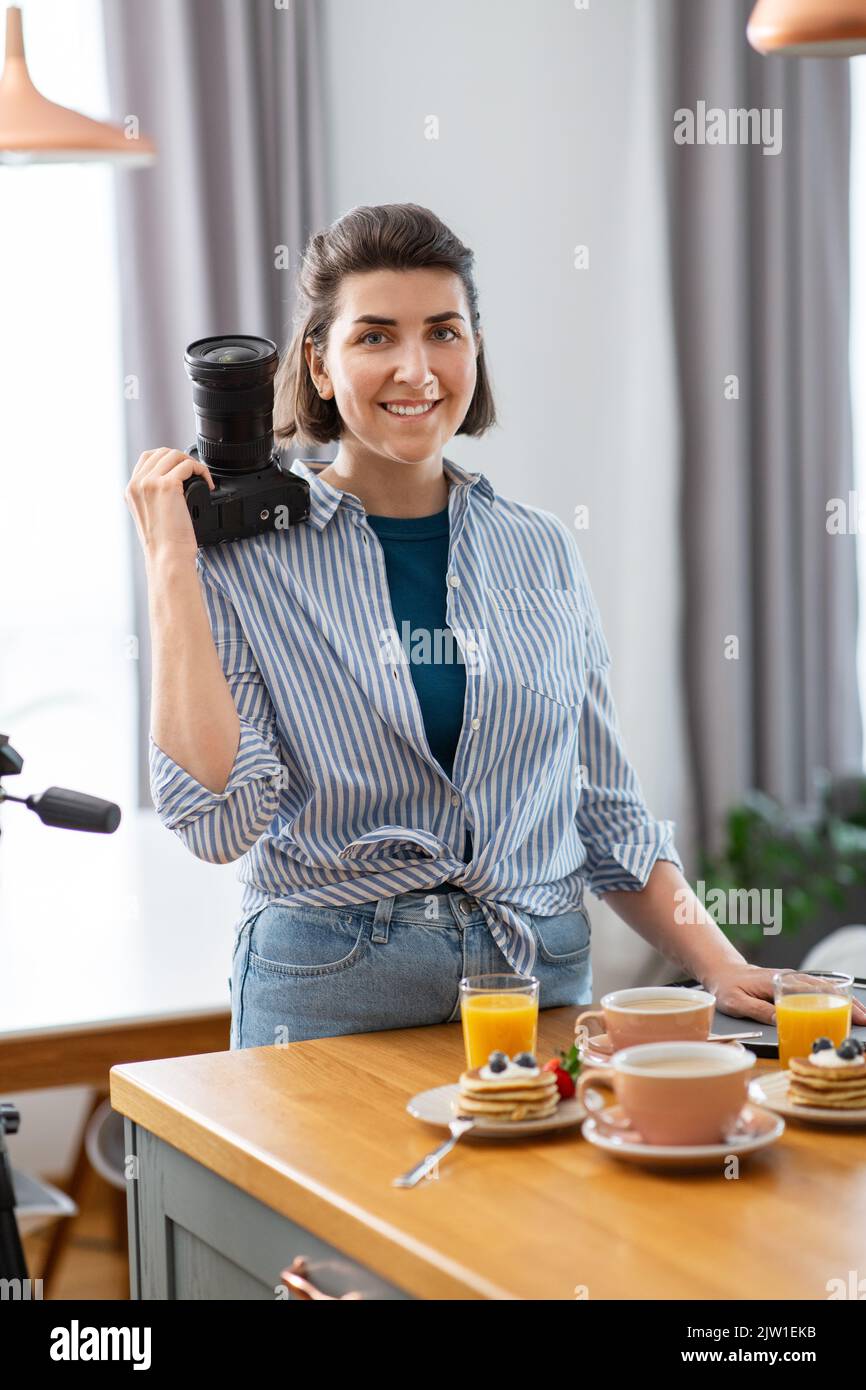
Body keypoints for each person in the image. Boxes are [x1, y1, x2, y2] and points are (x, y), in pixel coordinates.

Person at [125, 202, 866, 1048]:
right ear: (320, 368)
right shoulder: (247, 559)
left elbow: (607, 813)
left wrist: (721, 962)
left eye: (444, 331)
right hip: (332, 996)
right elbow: (221, 823)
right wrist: (171, 568)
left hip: (538, 985)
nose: (416, 368)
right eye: (374, 337)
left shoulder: (540, 549)